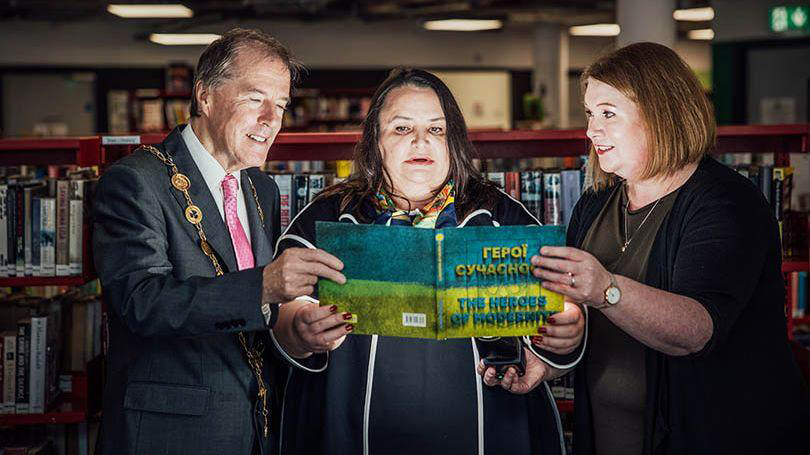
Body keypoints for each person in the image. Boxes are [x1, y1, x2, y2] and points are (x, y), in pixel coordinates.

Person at [269, 67, 586, 455]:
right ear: (375, 142)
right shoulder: (329, 217)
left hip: (491, 432)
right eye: (402, 128)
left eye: (436, 129)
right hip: (350, 433)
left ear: (454, 142)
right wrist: (298, 326)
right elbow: (281, 306)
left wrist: (568, 329)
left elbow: (563, 306)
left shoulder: (501, 216)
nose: (421, 141)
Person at [532, 42, 810, 455]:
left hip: (714, 438)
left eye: (608, 113)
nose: (591, 130)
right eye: (590, 114)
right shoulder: (595, 202)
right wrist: (551, 355)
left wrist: (607, 290)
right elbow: (579, 321)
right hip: (608, 435)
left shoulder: (727, 203)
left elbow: (697, 330)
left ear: (660, 114)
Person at [93, 28, 346, 455]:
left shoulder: (261, 189)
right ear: (205, 96)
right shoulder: (135, 181)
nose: (272, 119)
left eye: (281, 105)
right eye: (255, 98)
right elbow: (141, 303)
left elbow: (254, 317)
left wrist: (297, 328)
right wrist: (264, 285)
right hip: (170, 437)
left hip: (255, 431)